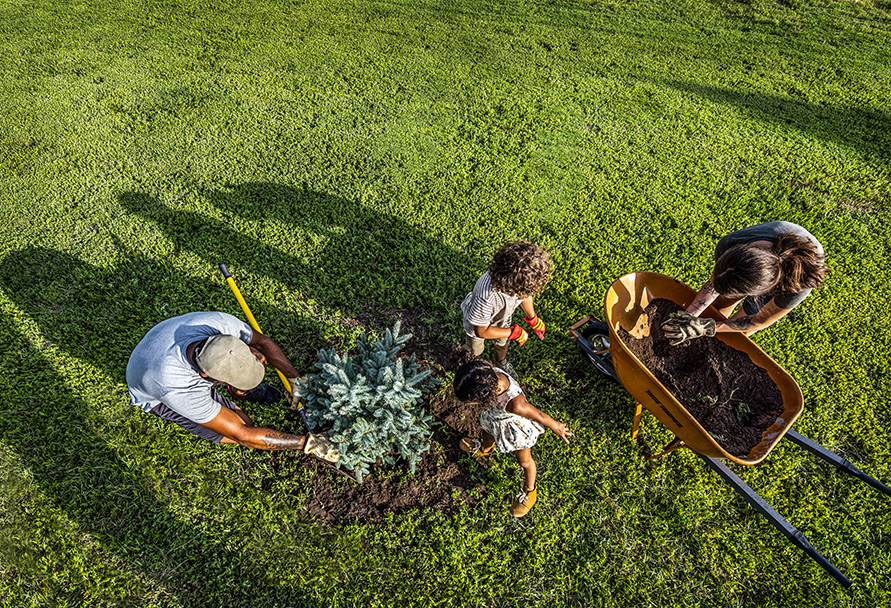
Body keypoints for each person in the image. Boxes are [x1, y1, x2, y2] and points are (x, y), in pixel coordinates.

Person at [126, 311, 336, 459]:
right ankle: (237, 390)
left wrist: (295, 380)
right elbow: (242, 434)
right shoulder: (176, 388)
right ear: (206, 376)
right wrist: (307, 443)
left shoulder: (218, 324)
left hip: (164, 346)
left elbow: (262, 343)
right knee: (238, 430)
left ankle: (242, 391)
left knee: (256, 359)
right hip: (153, 394)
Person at [663, 221, 826, 345]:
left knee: (735, 334)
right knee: (720, 303)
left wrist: (709, 327)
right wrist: (690, 315)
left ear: (760, 291)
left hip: (788, 280)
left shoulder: (797, 286)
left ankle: (711, 342)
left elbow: (759, 320)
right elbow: (714, 283)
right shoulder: (731, 244)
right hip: (763, 256)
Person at [453, 356, 571, 517]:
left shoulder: (515, 404)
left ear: (484, 395)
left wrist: (557, 426)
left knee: (524, 461)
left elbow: (538, 415)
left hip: (514, 430)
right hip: (493, 418)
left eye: (471, 402)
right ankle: (485, 449)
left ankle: (530, 491)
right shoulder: (486, 375)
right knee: (487, 432)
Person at [460, 240, 551, 378]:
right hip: (478, 324)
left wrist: (533, 319)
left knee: (503, 344)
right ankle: (473, 367)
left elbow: (525, 296)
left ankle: (500, 363)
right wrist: (514, 332)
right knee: (475, 350)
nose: (526, 294)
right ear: (512, 285)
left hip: (502, 319)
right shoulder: (487, 296)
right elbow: (481, 331)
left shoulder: (518, 282)